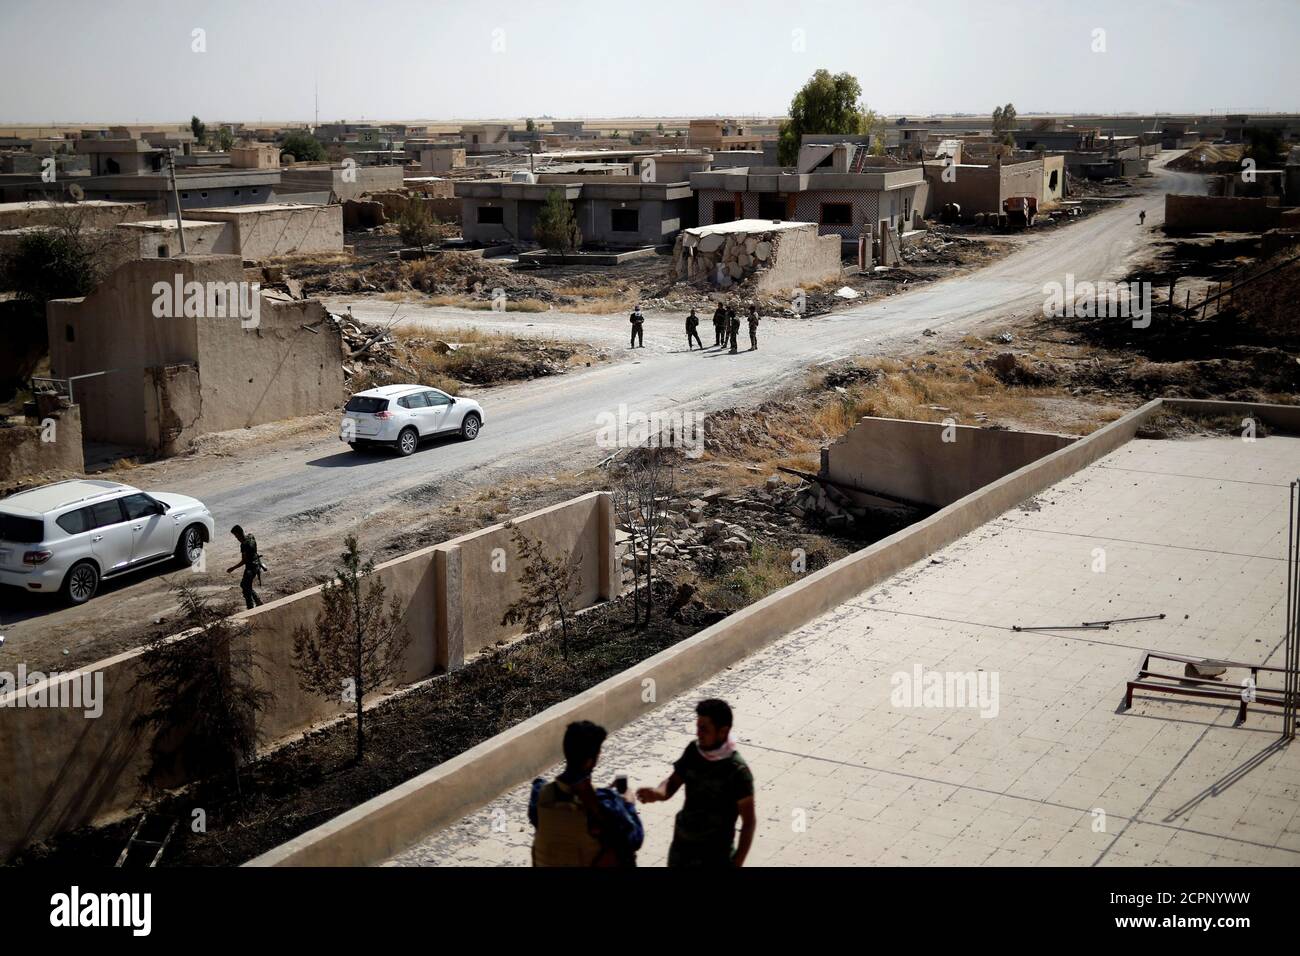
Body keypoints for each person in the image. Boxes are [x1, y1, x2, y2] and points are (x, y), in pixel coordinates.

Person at [637, 698, 755, 867]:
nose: (698, 733)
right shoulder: (694, 751)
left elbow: (749, 822)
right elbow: (672, 782)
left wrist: (738, 862)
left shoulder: (737, 771)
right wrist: (657, 793)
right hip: (682, 852)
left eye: (704, 729)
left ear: (723, 731)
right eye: (698, 727)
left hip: (714, 857)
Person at [529, 720, 643, 867]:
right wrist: (628, 803)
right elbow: (635, 839)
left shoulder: (540, 794)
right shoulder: (607, 802)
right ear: (590, 761)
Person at [226, 525, 264, 609]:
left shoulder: (243, 545)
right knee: (245, 585)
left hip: (251, 567)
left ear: (240, 533)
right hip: (257, 564)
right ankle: (258, 601)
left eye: (236, 536)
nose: (237, 538)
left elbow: (244, 561)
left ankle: (251, 606)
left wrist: (233, 568)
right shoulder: (251, 536)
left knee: (245, 586)